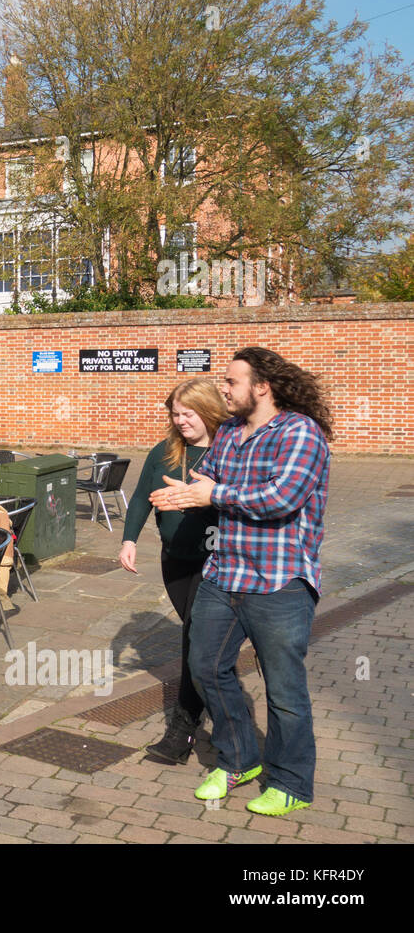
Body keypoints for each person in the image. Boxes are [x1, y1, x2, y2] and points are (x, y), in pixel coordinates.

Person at [152, 347, 331, 817]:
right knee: (205, 668)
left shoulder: (301, 433)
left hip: (280, 583)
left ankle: (291, 782)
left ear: (262, 386)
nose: (223, 390)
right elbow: (205, 479)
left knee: (284, 690)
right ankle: (239, 760)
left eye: (231, 382)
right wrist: (185, 495)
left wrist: (213, 493)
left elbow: (280, 498)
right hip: (223, 574)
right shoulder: (229, 432)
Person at [119, 378, 228, 764]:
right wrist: (129, 540)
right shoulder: (165, 453)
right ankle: (223, 716)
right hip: (176, 561)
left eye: (189, 413)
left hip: (216, 561)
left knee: (196, 642)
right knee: (201, 643)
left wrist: (199, 500)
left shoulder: (231, 450)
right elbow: (138, 499)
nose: (181, 421)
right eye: (175, 414)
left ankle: (182, 732)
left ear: (210, 410)